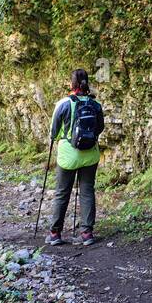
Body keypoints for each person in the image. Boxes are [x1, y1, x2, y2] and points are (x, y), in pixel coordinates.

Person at [45, 68, 105, 246]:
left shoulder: (63, 103)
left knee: (62, 192)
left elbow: (53, 132)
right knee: (87, 191)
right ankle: (87, 233)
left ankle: (55, 233)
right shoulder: (96, 105)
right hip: (90, 154)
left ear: (71, 83)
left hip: (68, 156)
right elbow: (99, 128)